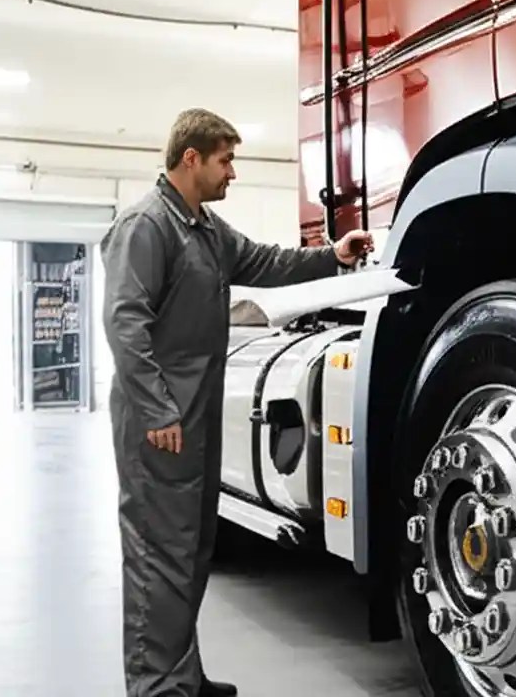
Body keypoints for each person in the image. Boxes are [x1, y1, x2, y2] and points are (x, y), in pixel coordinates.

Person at [101, 107, 374, 697]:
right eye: (226, 160)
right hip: (161, 421)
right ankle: (156, 688)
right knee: (159, 555)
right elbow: (125, 324)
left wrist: (335, 254)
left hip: (192, 415)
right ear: (191, 158)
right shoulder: (146, 225)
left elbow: (267, 262)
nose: (233, 173)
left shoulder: (203, 228)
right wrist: (157, 412)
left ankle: (182, 676)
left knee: (193, 552)